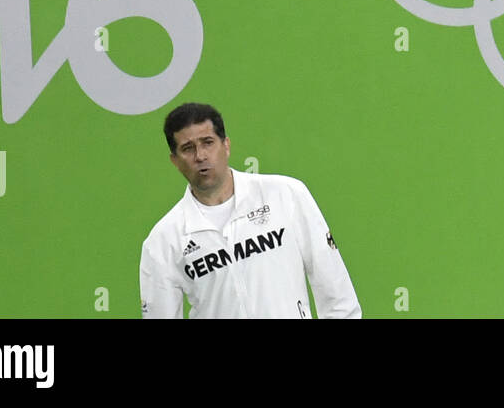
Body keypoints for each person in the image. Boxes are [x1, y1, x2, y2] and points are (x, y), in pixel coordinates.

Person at [140, 103, 361, 318]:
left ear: (226, 145)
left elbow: (336, 292)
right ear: (174, 161)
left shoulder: (285, 194)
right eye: (188, 148)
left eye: (208, 142)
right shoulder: (163, 239)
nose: (200, 156)